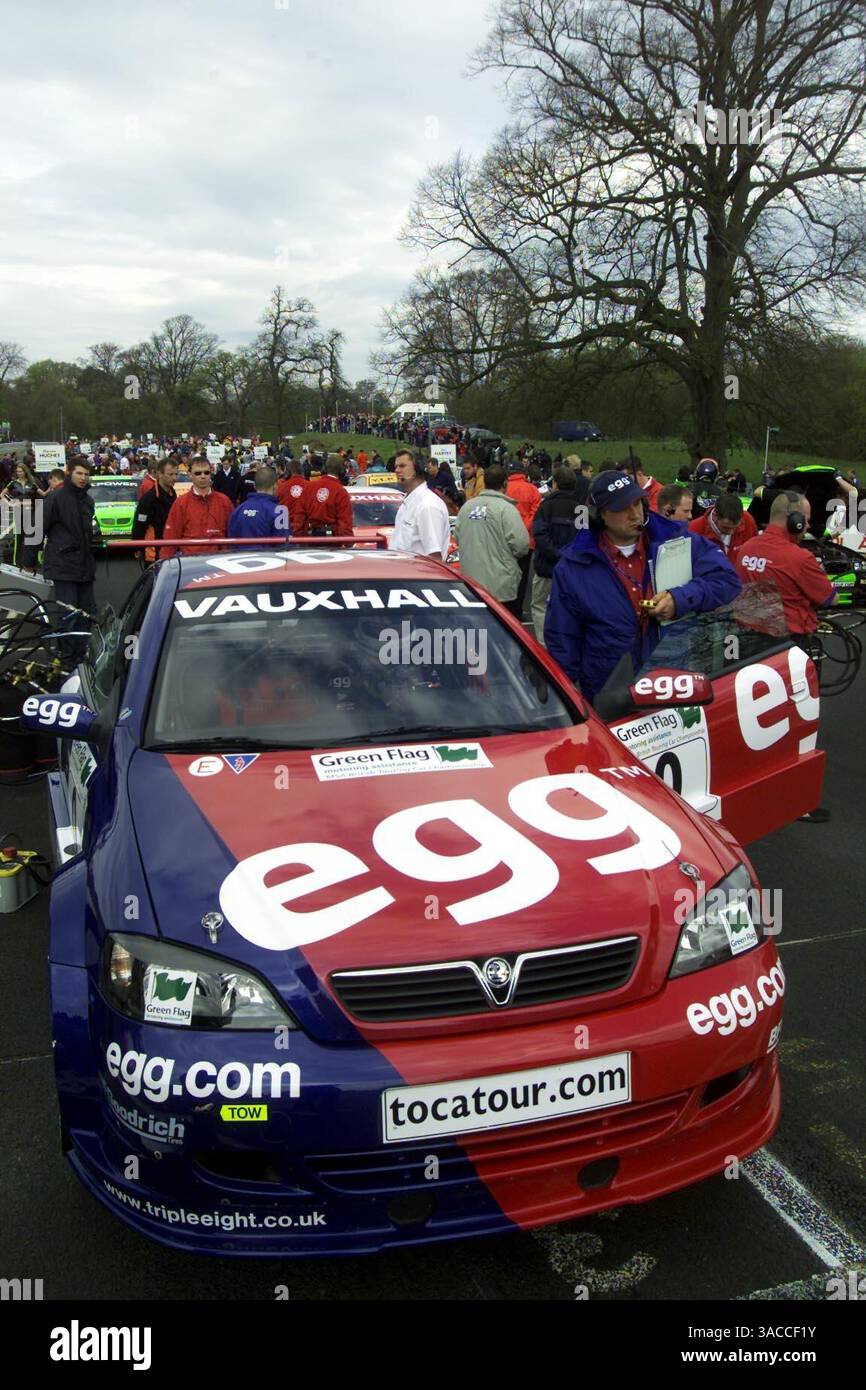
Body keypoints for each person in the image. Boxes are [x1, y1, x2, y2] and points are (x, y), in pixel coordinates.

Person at [544, 469, 741, 703]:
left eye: (637, 503)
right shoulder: (572, 568)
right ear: (600, 515)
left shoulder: (678, 541)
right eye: (621, 508)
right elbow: (562, 643)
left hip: (673, 687)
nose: (634, 514)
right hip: (610, 698)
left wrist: (680, 598)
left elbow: (728, 581)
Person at [736, 493, 835, 638]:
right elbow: (831, 599)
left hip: (746, 639)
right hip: (787, 644)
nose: (808, 526)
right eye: (806, 520)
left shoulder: (745, 548)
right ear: (796, 521)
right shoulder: (800, 558)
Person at [41, 460, 100, 657]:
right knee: (68, 616)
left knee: (86, 615)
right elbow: (37, 528)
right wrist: (28, 560)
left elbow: (92, 529)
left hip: (84, 565)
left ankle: (81, 657)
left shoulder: (88, 500)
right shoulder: (55, 497)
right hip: (63, 565)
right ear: (69, 473)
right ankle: (67, 659)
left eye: (86, 474)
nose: (83, 478)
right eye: (79, 474)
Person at [454, 462, 530, 616]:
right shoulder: (507, 509)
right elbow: (521, 545)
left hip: (471, 583)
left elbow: (458, 537)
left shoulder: (467, 507)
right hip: (500, 586)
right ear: (505, 484)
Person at [530, 465, 584, 641]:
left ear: (555, 483)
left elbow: (539, 534)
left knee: (539, 606)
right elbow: (584, 538)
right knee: (568, 608)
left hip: (546, 567)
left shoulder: (546, 506)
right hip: (572, 568)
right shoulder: (580, 508)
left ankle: (544, 646)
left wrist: (554, 554)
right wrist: (567, 557)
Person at [162, 457, 234, 557]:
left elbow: (234, 534)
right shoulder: (181, 503)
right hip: (191, 563)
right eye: (198, 473)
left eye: (206, 472)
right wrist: (165, 565)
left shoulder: (224, 501)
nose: (203, 476)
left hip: (220, 561)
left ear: (211, 473)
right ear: (190, 475)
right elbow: (170, 538)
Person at [388, 448, 451, 558]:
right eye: (396, 467)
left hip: (418, 574)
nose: (397, 470)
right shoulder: (408, 503)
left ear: (418, 468)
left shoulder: (427, 505)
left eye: (402, 466)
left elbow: (435, 557)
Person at [506, 459, 543, 614]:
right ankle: (518, 609)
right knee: (523, 574)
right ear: (523, 473)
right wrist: (524, 527)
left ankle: (504, 608)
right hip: (527, 540)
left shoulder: (504, 488)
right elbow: (536, 513)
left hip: (506, 539)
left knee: (506, 573)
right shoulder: (533, 490)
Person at [131, 456, 179, 563]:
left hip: (170, 549)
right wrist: (137, 547)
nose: (174, 478)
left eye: (176, 474)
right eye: (170, 474)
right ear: (159, 474)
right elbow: (139, 524)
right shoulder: (148, 498)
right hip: (153, 552)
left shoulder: (173, 495)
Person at [689, 491, 757, 563]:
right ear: (715, 516)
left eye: (736, 527)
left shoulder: (748, 520)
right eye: (726, 528)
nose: (731, 532)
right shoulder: (694, 529)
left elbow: (754, 551)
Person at [228, 466, 290, 541]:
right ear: (275, 486)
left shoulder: (237, 511)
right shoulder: (280, 512)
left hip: (241, 552)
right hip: (268, 552)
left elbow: (231, 541)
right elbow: (284, 544)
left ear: (254, 486)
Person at [301, 456, 353, 536]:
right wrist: (349, 544)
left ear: (325, 468)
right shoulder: (340, 492)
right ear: (342, 471)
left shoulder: (309, 487)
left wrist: (299, 540)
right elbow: (345, 522)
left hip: (310, 540)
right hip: (332, 542)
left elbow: (299, 516)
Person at [277, 460, 311, 536]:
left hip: (285, 531)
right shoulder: (310, 487)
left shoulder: (280, 486)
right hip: (305, 532)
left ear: (287, 472)